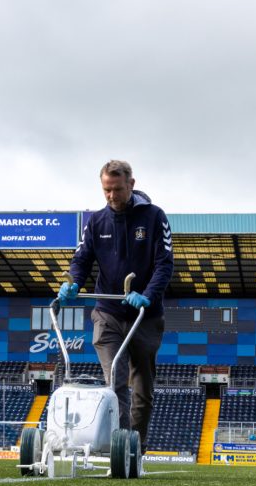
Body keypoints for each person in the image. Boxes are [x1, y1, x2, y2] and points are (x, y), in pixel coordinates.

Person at [58, 160, 174, 454]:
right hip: (108, 314)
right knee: (115, 382)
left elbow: (164, 263)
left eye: (117, 189)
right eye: (106, 190)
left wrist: (147, 295)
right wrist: (73, 282)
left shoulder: (154, 217)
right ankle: (122, 448)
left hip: (145, 317)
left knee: (143, 388)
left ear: (131, 185)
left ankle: (138, 445)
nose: (112, 196)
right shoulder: (96, 221)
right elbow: (82, 258)